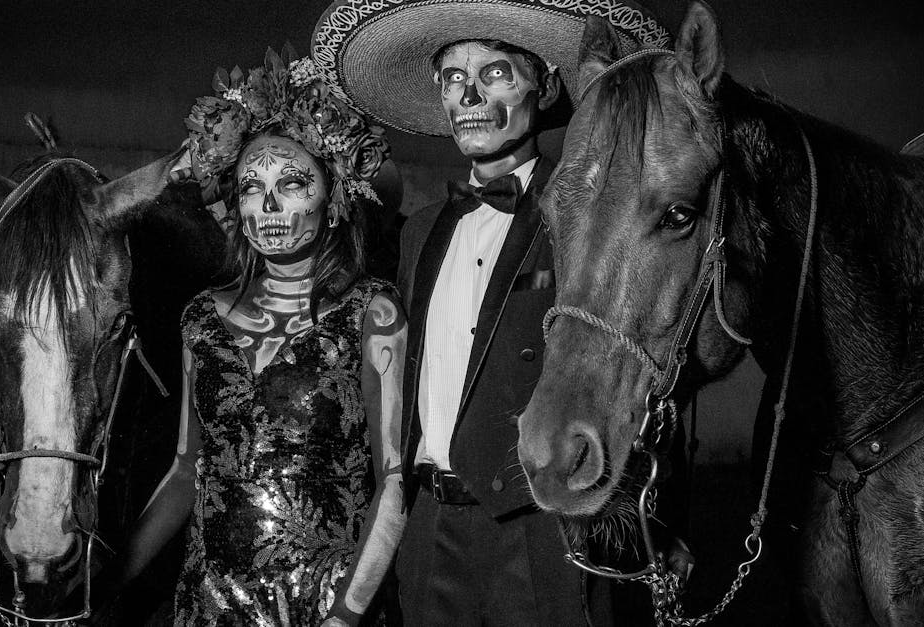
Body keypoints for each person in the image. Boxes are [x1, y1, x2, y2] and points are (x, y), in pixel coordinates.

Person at [312, 1, 689, 624]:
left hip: (538, 535)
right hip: (429, 534)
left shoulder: (583, 218)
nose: (470, 96)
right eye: (454, 79)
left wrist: (658, 516)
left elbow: (645, 353)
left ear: (541, 82)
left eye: (494, 75)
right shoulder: (423, 230)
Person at [108, 47, 407, 627]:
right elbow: (185, 470)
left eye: (291, 183)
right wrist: (111, 581)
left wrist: (345, 614)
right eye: (250, 186)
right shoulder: (200, 319)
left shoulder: (374, 314)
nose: (267, 205)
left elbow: (394, 481)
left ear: (335, 196)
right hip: (210, 603)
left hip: (324, 604)